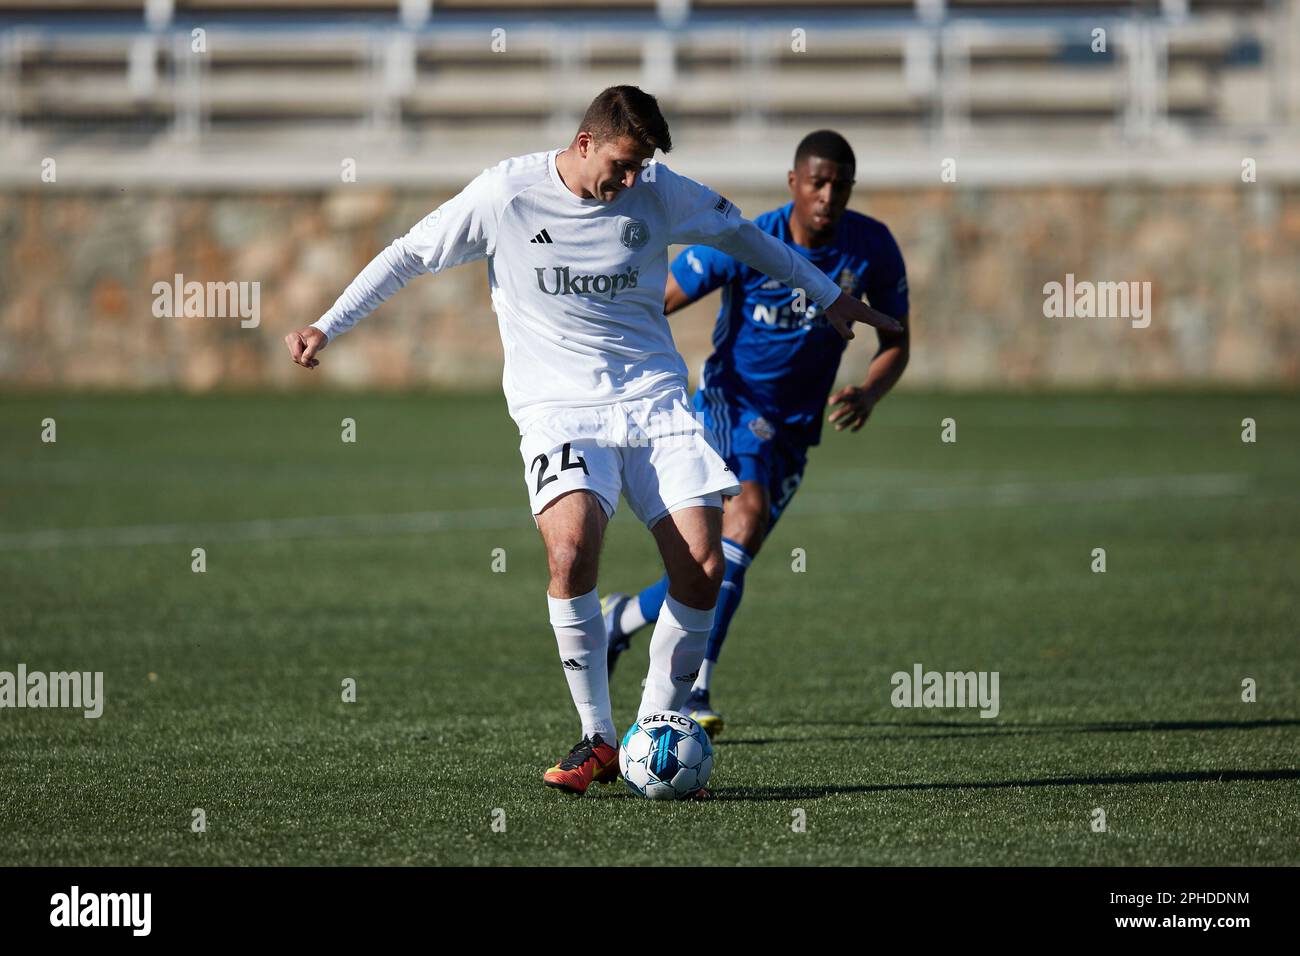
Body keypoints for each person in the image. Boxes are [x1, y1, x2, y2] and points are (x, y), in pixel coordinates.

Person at [284, 91, 901, 795]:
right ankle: (599, 739)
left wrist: (827, 294)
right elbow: (408, 254)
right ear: (584, 143)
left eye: (642, 168)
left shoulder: (661, 193)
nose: (633, 181)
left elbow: (750, 240)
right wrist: (326, 325)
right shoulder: (504, 195)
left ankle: (657, 725)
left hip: (654, 402)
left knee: (703, 563)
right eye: (624, 164)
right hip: (559, 410)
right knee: (571, 550)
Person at [602, 130, 910, 738]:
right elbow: (659, 298)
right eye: (818, 182)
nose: (828, 195)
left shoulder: (871, 247)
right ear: (793, 183)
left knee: (722, 559)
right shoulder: (748, 238)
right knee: (743, 519)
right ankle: (691, 688)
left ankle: (622, 619)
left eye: (840, 185)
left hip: (794, 431)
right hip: (728, 403)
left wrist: (869, 392)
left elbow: (896, 341)